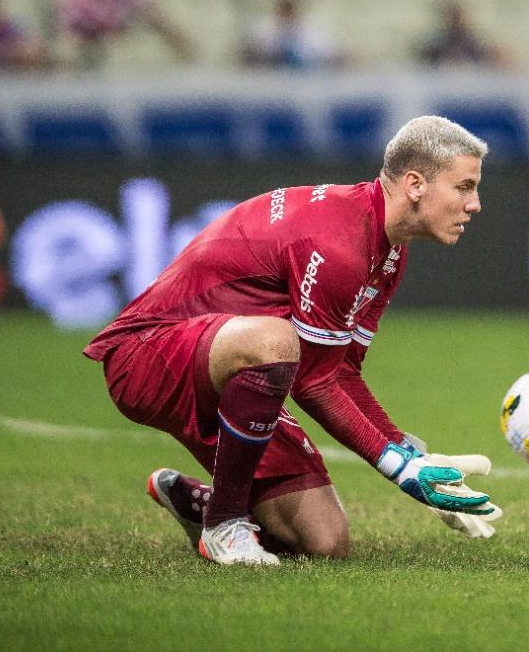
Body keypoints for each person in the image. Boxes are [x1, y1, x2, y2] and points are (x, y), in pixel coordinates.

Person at [83, 116, 501, 566]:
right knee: (278, 342)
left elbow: (340, 370)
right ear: (415, 184)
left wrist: (411, 455)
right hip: (146, 354)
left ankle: (200, 502)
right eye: (464, 187)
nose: (475, 203)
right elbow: (312, 383)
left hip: (228, 368)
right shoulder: (340, 242)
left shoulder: (389, 250)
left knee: (325, 542)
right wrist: (401, 470)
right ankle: (224, 524)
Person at [54, 0, 193, 65]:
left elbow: (148, 10)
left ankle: (189, 59)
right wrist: (104, 36)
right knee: (67, 48)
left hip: (119, 37)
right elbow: (71, 28)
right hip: (87, 42)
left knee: (159, 22)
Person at [241, 0, 346, 71]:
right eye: (283, 12)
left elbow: (331, 53)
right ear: (278, 12)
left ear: (295, 13)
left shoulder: (309, 33)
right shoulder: (265, 31)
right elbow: (249, 53)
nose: (287, 17)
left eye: (290, 13)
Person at [417, 0, 511, 67]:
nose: (457, 21)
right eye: (453, 17)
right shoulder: (437, 45)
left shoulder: (474, 43)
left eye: (459, 17)